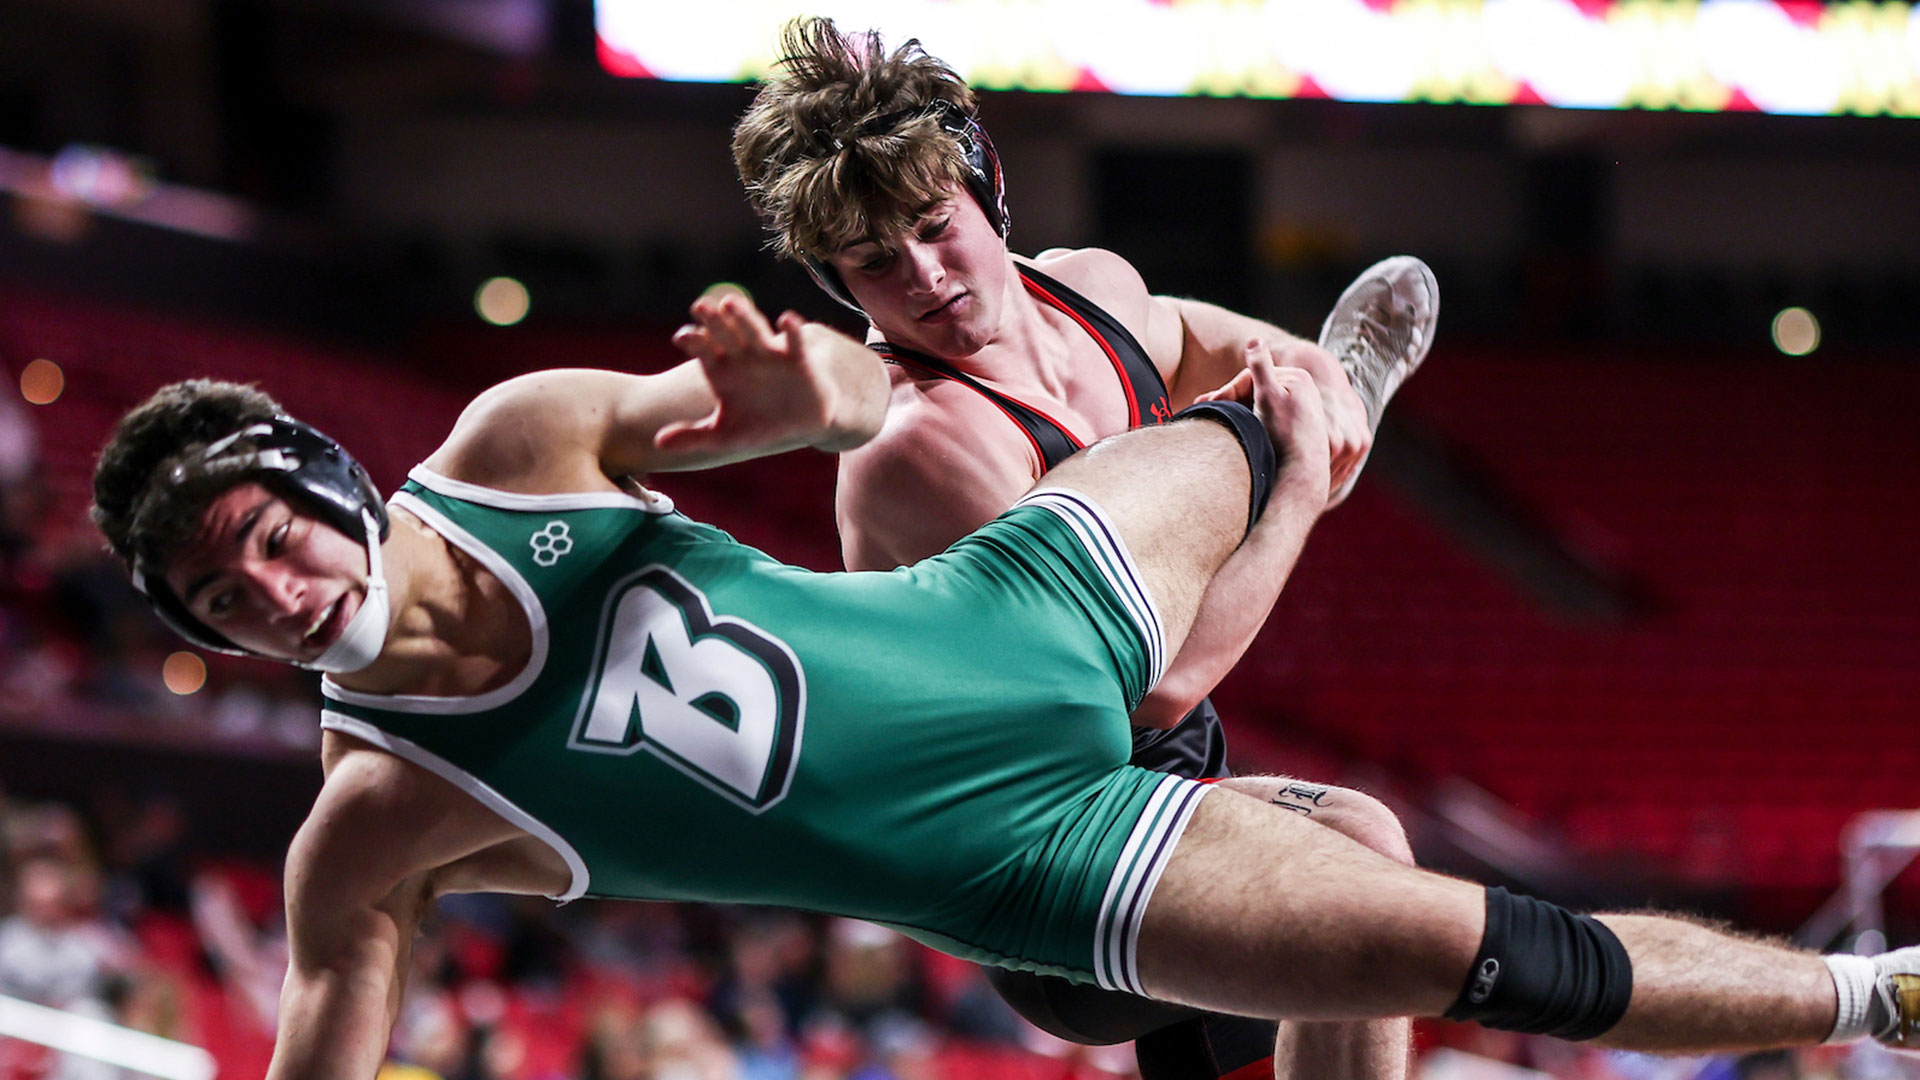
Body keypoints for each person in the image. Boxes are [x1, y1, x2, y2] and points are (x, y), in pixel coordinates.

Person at [90, 293, 1920, 1080]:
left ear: (335, 482)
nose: (270, 590)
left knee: (1266, 407)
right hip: (1035, 849)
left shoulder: (513, 447)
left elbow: (814, 405)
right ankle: (1876, 992)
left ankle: (1336, 410)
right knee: (1467, 945)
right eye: (218, 594)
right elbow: (330, 1033)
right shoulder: (371, 826)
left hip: (1019, 604)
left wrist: (780, 387)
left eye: (269, 535)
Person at [728, 17, 1435, 1079]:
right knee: (1358, 851)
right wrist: (1291, 487)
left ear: (986, 191)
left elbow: (1196, 333)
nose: (924, 276)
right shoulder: (917, 447)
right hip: (1036, 847)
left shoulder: (1090, 287)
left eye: (934, 224)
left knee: (1276, 1003)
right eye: (876, 263)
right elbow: (1155, 687)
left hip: (1156, 784)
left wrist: (1310, 375)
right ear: (838, 286)